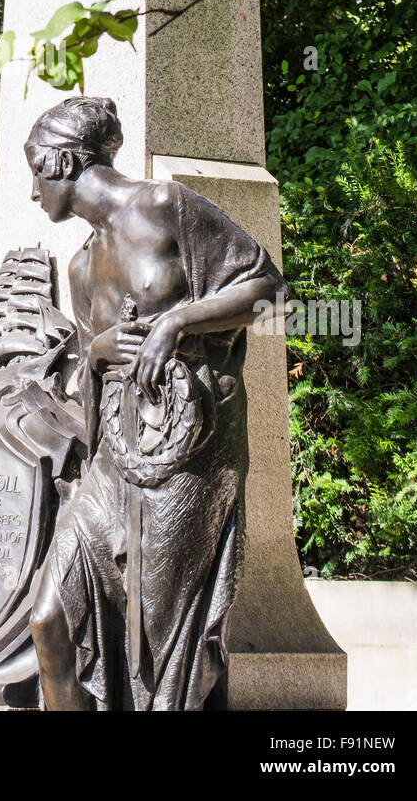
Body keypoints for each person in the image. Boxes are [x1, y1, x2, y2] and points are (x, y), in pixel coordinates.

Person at [25, 97, 283, 711]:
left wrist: (180, 322)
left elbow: (271, 291)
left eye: (35, 170)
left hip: (187, 457)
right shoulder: (81, 266)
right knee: (50, 615)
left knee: (162, 648)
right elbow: (90, 368)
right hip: (114, 462)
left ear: (61, 160)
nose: (33, 192)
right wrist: (95, 353)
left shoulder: (166, 207)